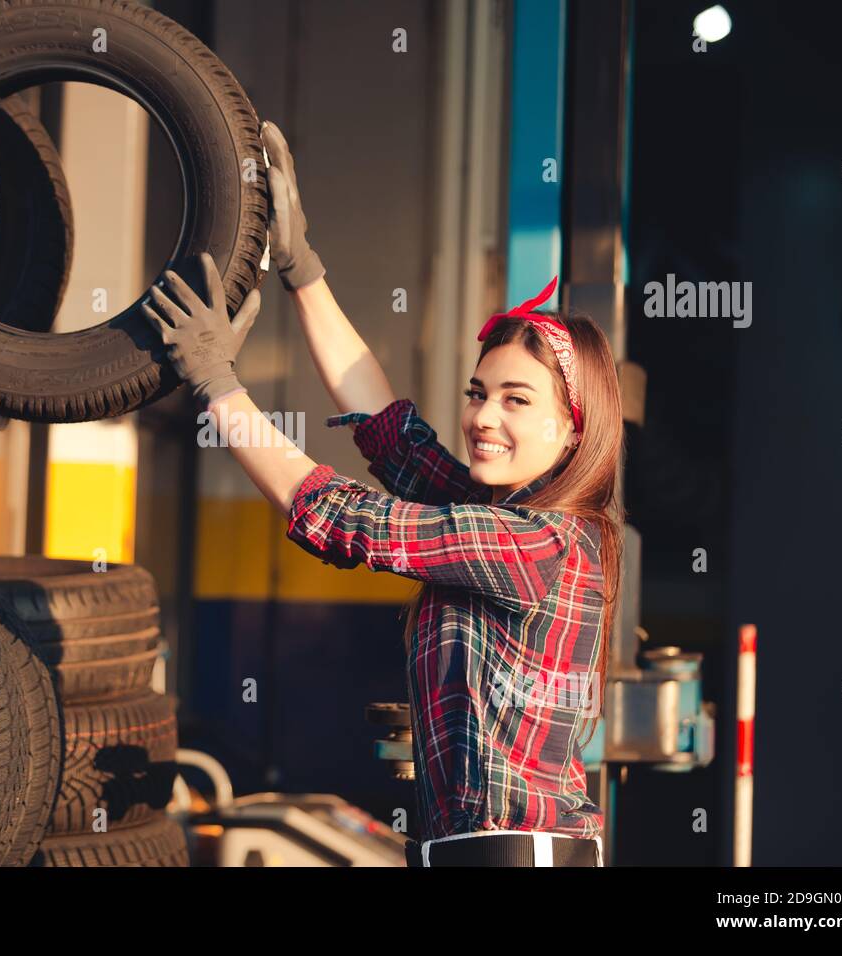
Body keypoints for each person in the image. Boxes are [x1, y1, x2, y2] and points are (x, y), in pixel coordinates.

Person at [141, 120, 624, 868]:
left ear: (573, 430)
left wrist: (218, 385)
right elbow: (390, 432)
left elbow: (342, 518)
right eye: (478, 392)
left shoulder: (537, 545)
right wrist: (301, 268)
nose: (483, 418)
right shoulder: (504, 518)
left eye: (516, 400)